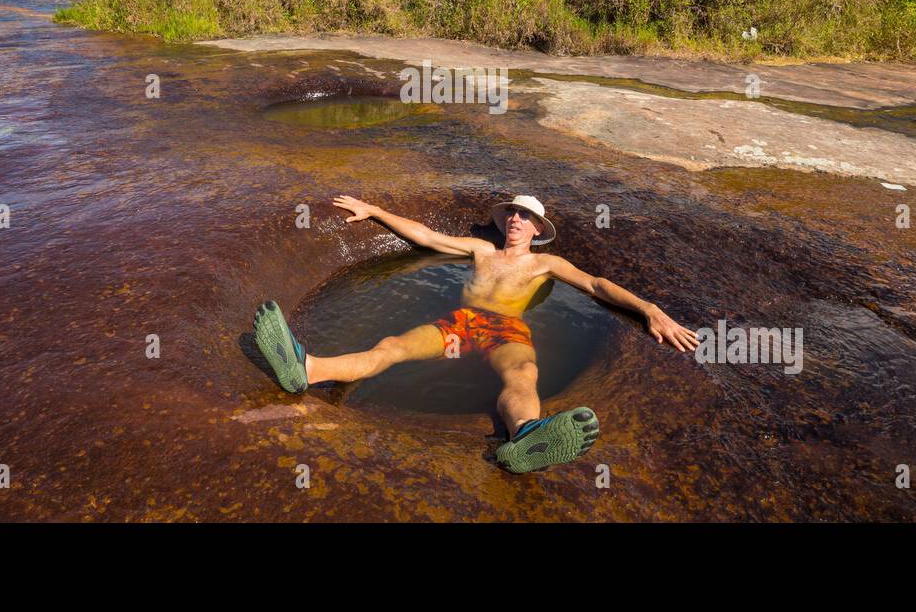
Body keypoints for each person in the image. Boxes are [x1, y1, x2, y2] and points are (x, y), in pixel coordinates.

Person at [252, 194, 699, 474]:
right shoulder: (482, 250)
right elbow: (426, 236)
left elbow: (596, 285)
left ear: (538, 229)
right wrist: (374, 211)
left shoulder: (546, 264)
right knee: (390, 348)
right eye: (513, 213)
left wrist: (649, 309)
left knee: (523, 371)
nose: (517, 220)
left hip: (505, 328)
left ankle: (526, 437)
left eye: (526, 216)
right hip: (459, 327)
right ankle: (305, 370)